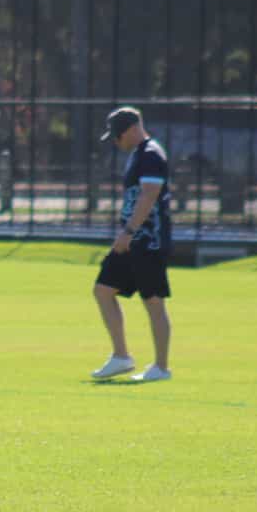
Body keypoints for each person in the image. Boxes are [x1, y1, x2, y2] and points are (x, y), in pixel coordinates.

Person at [90, 107, 175, 383]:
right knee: (103, 290)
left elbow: (150, 195)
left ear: (130, 130)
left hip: (148, 240)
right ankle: (121, 357)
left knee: (153, 301)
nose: (116, 142)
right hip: (132, 240)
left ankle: (161, 367)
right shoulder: (139, 155)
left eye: (117, 136)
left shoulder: (151, 154)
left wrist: (128, 231)